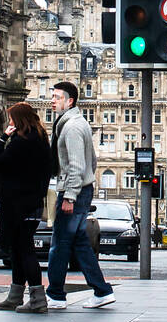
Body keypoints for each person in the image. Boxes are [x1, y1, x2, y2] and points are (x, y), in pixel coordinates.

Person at [45, 81, 115, 309]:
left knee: (60, 243)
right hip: (79, 189)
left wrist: (69, 196)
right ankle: (102, 290)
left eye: (57, 97)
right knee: (80, 243)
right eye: (53, 97)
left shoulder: (72, 127)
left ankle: (55, 294)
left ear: (70, 101)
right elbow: (92, 161)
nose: (52, 101)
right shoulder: (74, 123)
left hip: (73, 190)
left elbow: (77, 165)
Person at [0, 102, 55, 313]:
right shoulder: (40, 139)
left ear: (18, 120)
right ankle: (16, 295)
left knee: (24, 250)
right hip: (32, 204)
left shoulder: (21, 142)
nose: (9, 123)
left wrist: (3, 139)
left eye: (11, 119)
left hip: (18, 205)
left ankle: (37, 299)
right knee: (19, 250)